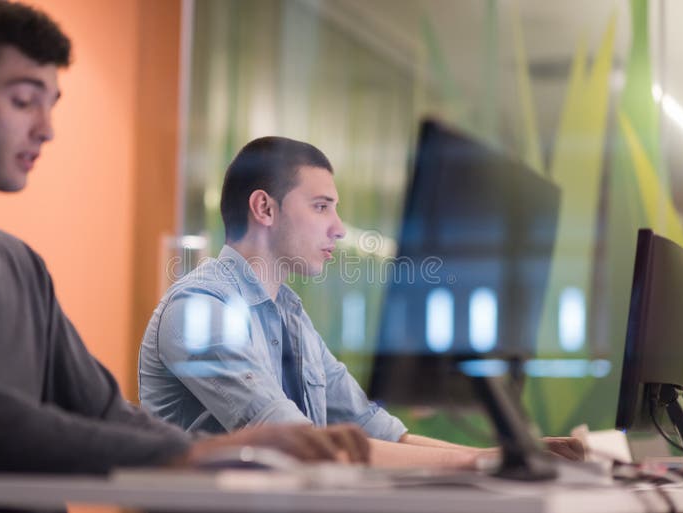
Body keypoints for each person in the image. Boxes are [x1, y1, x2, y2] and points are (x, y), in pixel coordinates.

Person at [0, 2, 369, 509]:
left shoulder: (20, 267)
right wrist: (195, 455)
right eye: (24, 100)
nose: (46, 128)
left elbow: (104, 411)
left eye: (50, 104)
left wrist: (219, 452)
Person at [139, 136, 586, 468]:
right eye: (321, 206)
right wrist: (481, 463)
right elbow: (303, 446)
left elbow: (373, 429)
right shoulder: (201, 310)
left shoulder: (290, 315)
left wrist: (503, 455)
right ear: (265, 209)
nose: (338, 228)